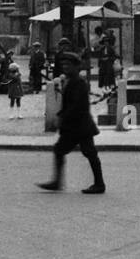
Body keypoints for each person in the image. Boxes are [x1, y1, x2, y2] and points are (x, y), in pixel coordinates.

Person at [38, 52, 106, 193]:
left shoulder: (79, 83)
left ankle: (99, 184)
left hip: (79, 126)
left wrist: (62, 117)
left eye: (68, 65)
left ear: (76, 67)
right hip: (77, 126)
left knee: (88, 153)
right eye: (64, 65)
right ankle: (58, 182)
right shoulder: (72, 81)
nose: (65, 67)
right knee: (64, 150)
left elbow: (76, 106)